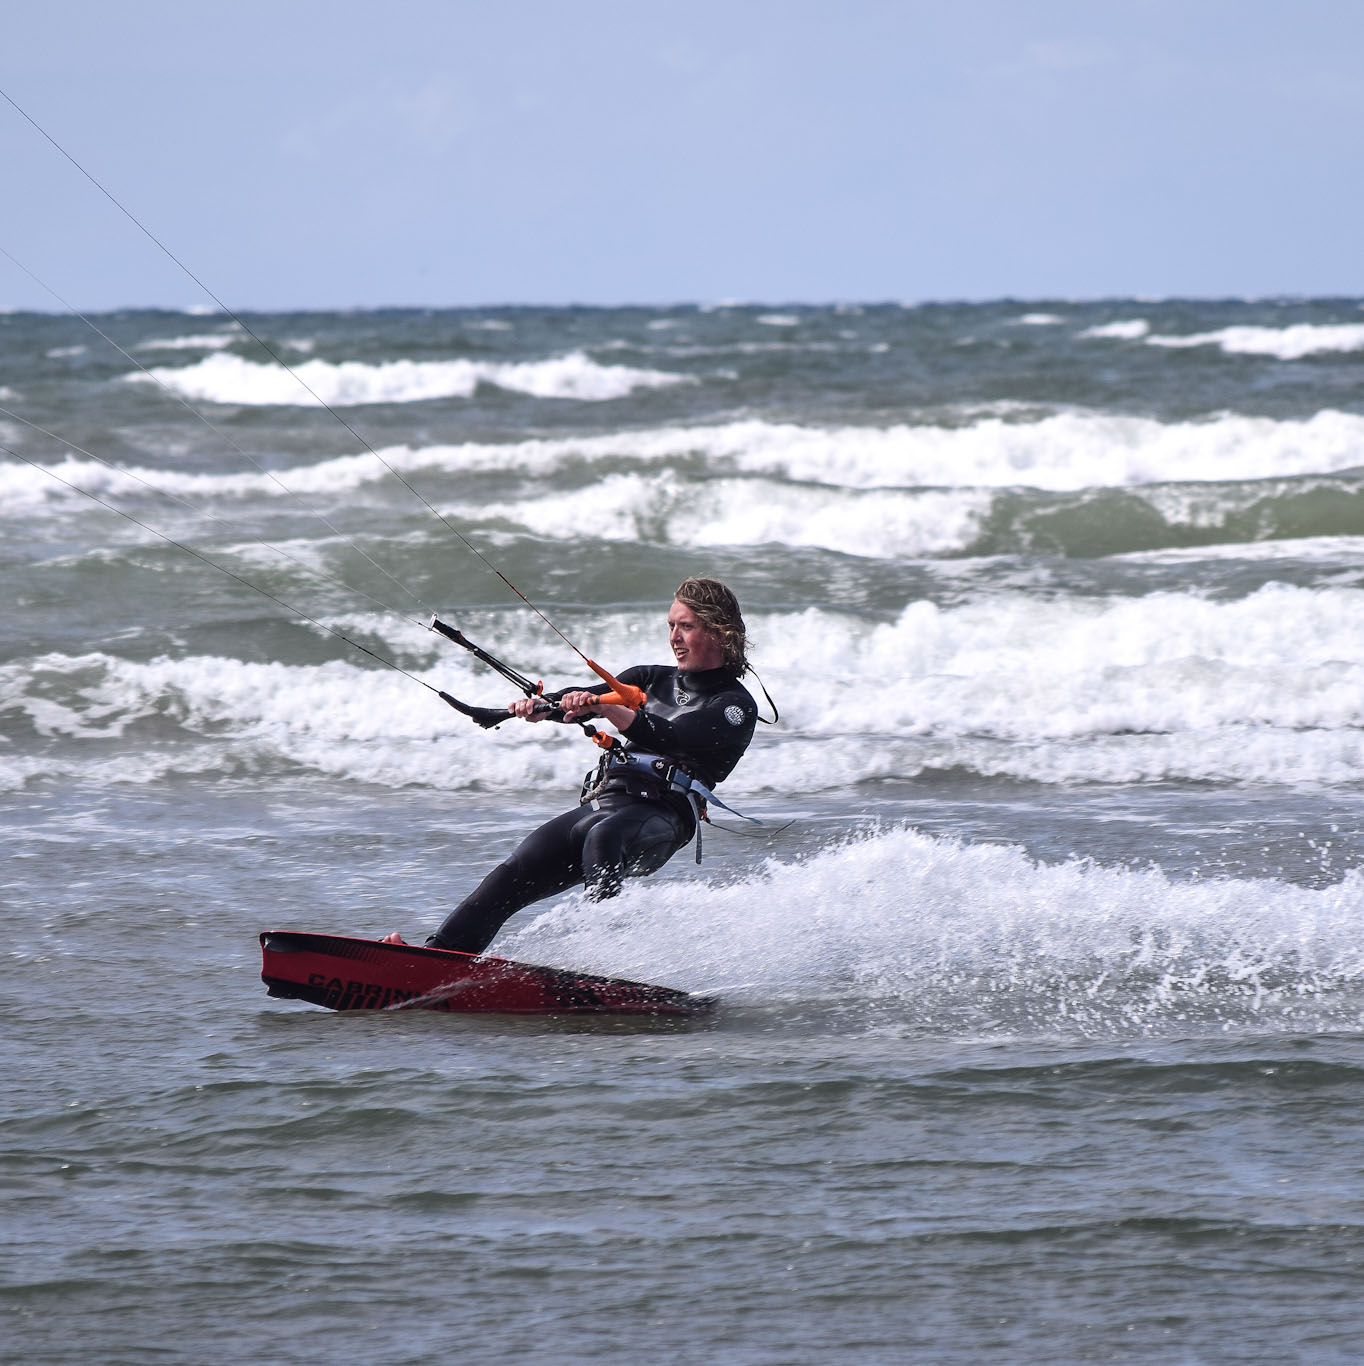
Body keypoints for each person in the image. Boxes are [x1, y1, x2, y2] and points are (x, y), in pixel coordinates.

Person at [384, 577, 758, 955]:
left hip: (665, 817)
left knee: (604, 837)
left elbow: (674, 735)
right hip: (609, 801)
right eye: (671, 626)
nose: (674, 637)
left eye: (686, 626)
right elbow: (583, 697)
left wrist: (610, 710)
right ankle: (435, 955)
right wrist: (539, 707)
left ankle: (604, 960)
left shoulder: (735, 707)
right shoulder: (650, 678)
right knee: (516, 869)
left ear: (720, 632)